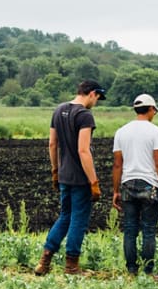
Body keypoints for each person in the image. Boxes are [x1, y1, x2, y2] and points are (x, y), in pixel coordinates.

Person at [34, 79, 106, 276]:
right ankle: (71, 266)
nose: (96, 102)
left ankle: (44, 261)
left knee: (65, 216)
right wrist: (94, 182)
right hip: (80, 178)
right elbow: (83, 150)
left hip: (64, 175)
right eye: (97, 97)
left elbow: (52, 144)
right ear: (91, 93)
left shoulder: (58, 110)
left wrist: (55, 171)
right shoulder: (84, 116)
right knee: (78, 220)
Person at [111, 93, 158, 275]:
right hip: (150, 185)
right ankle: (148, 271)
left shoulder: (121, 131)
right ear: (151, 109)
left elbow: (117, 164)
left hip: (127, 185)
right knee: (148, 230)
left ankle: (131, 270)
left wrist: (115, 191)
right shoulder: (156, 131)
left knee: (130, 229)